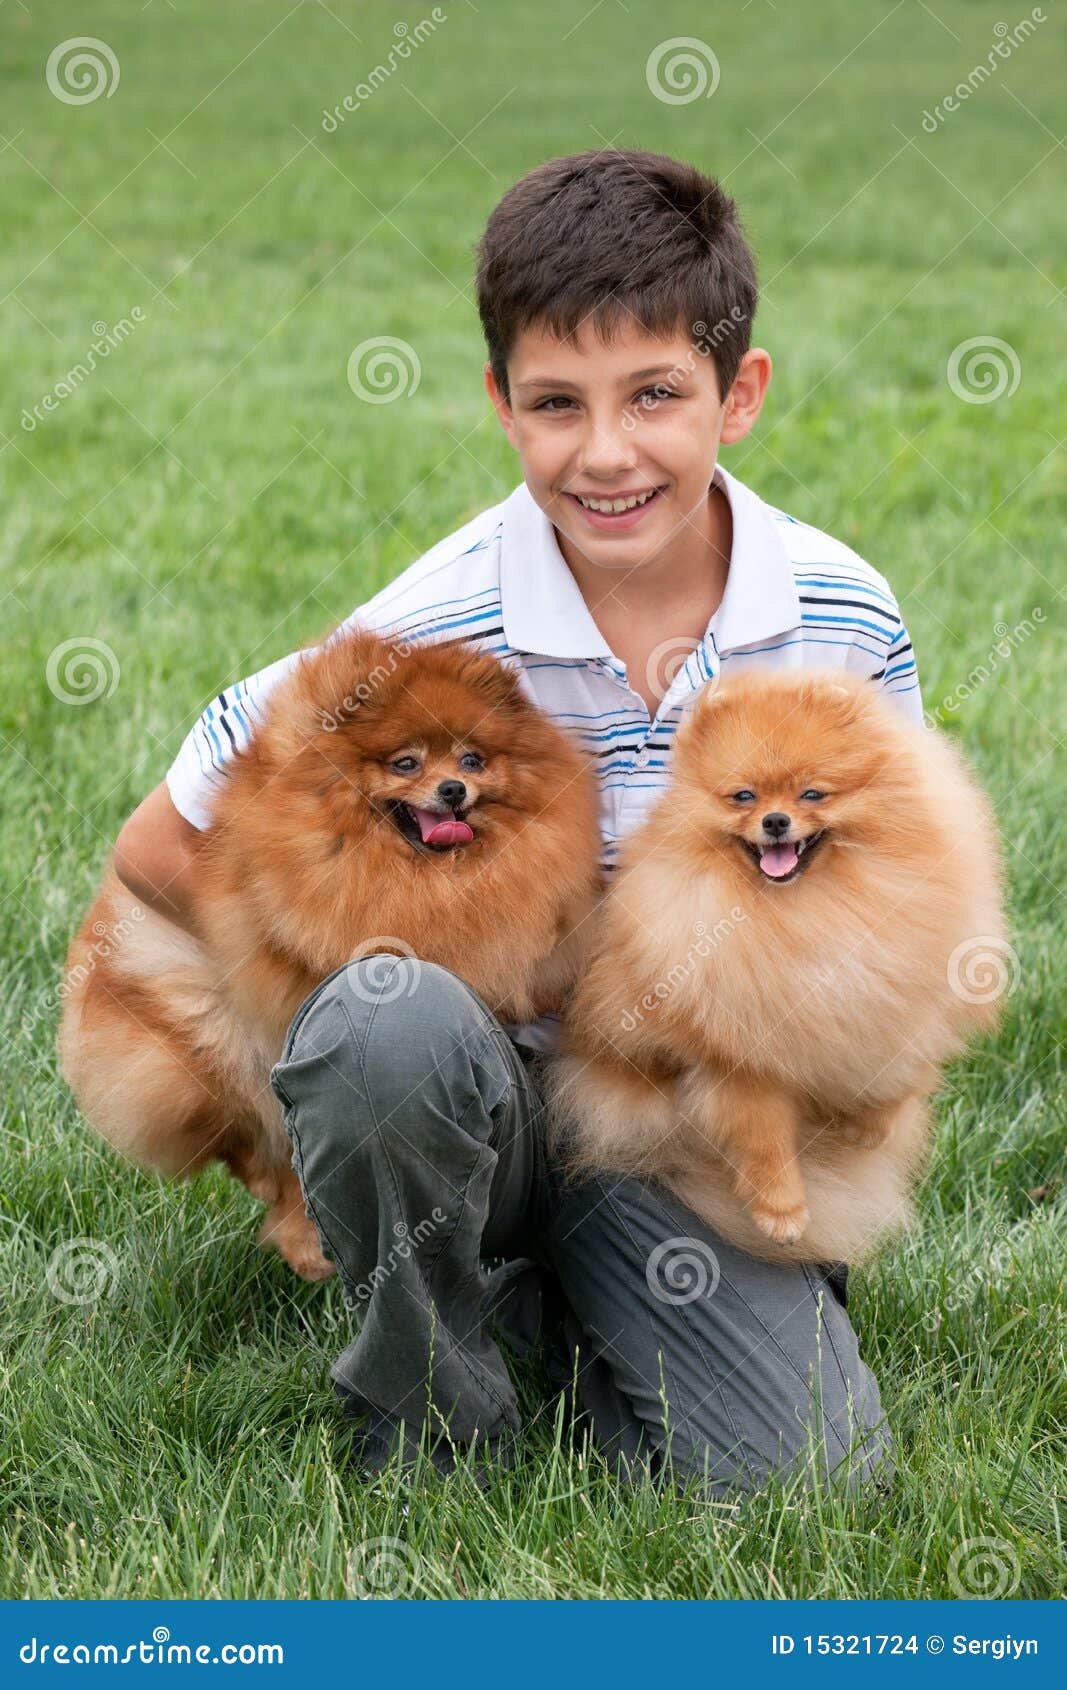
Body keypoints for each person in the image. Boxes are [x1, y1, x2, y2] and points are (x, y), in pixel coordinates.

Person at [115, 149, 920, 1497]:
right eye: (557, 404)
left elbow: (885, 887)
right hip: (472, 1098)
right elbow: (162, 841)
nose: (606, 452)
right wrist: (347, 961)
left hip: (682, 1129)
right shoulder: (428, 624)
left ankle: (585, 1303)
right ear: (502, 407)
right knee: (384, 1024)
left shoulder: (841, 613)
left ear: (742, 394)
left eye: (656, 394)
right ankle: (429, 1407)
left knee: (811, 1483)